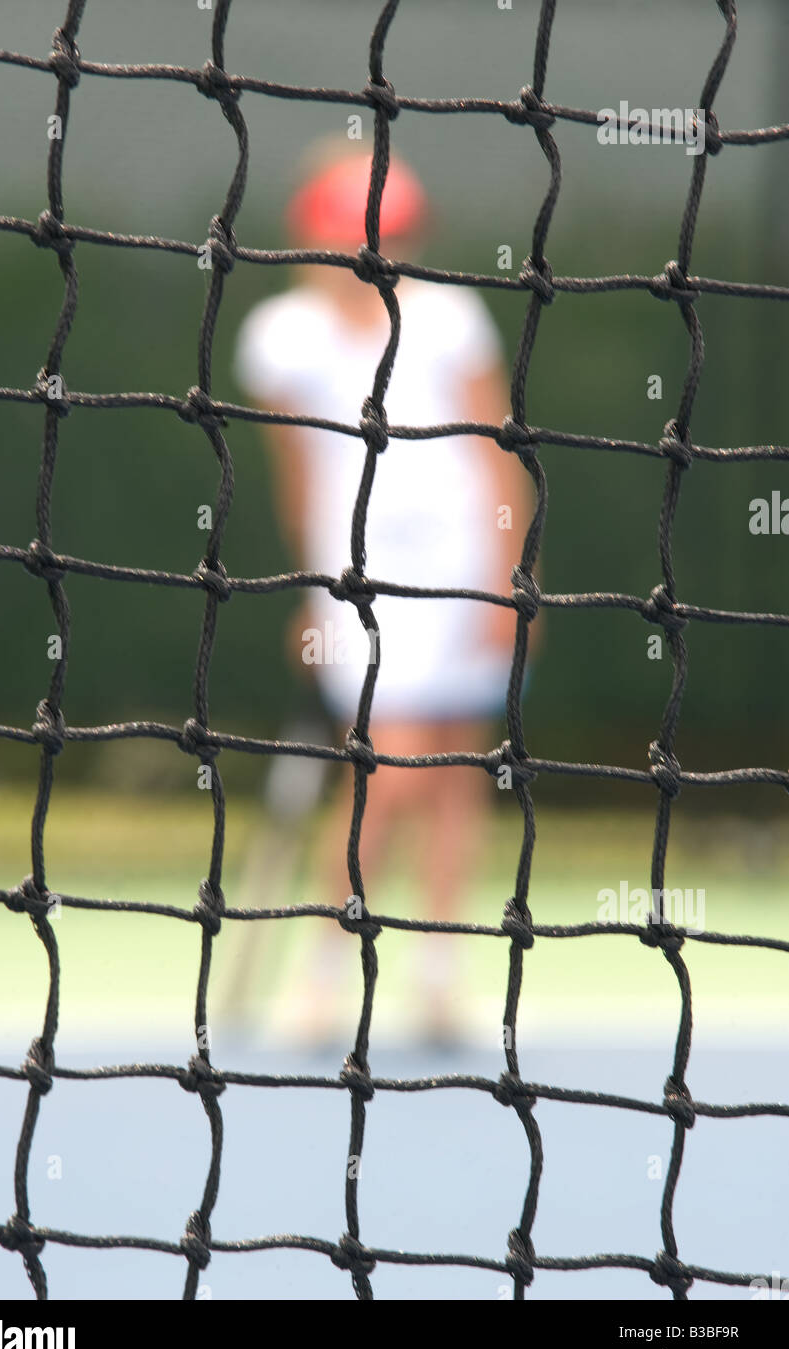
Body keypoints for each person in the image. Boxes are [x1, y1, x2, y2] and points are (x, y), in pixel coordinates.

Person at [235, 142, 531, 1041]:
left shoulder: (451, 321)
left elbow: (496, 455)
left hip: (465, 575)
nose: (374, 254)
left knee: (453, 769)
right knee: (389, 768)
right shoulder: (278, 341)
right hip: (359, 584)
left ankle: (438, 972)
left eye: (388, 235)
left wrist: (510, 582)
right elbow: (294, 476)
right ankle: (327, 971)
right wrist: (309, 589)